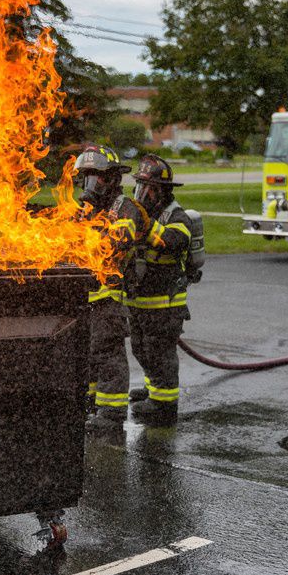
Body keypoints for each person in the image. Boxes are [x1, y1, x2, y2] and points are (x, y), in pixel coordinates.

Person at [74, 145, 148, 431]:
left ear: (114, 179)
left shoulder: (125, 208)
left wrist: (81, 238)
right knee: (89, 355)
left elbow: (115, 243)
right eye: (88, 177)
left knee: (108, 355)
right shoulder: (84, 212)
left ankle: (112, 412)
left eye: (99, 177)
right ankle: (92, 405)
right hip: (85, 299)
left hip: (108, 300)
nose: (92, 184)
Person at [124, 154, 192, 424]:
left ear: (163, 191)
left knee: (160, 353)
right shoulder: (142, 216)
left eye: (150, 189)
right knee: (142, 348)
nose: (144, 195)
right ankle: (154, 390)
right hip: (141, 301)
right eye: (141, 187)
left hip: (165, 304)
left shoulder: (177, 216)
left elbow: (174, 240)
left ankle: (165, 405)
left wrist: (146, 226)